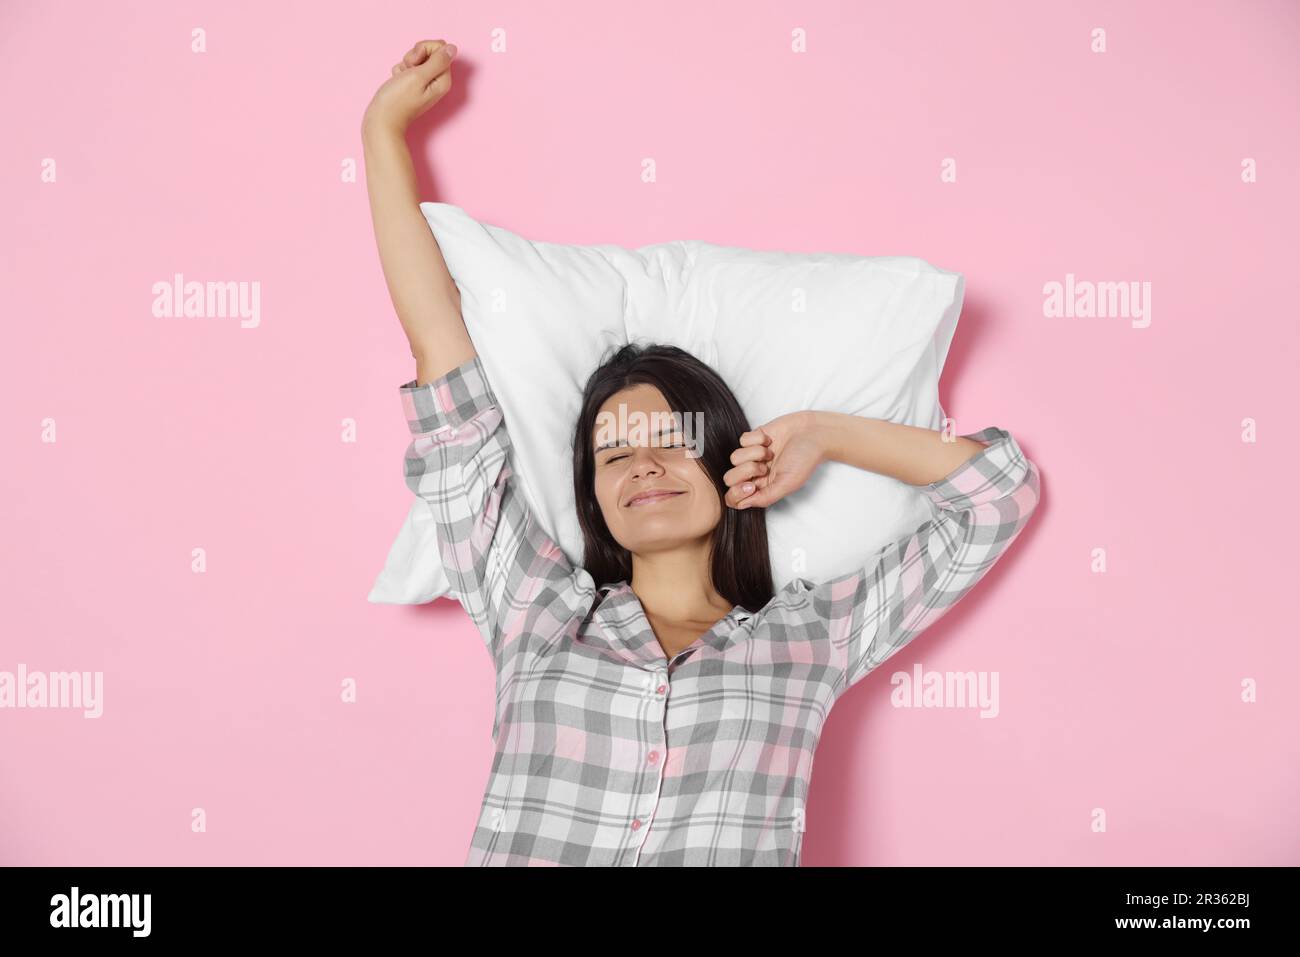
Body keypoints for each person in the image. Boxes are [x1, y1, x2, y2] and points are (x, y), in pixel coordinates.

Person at [363, 40, 1042, 866]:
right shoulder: (531, 605)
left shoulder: (809, 636)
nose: (641, 464)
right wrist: (381, 134)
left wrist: (826, 432)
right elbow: (444, 368)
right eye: (612, 455)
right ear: (593, 497)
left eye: (670, 440)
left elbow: (997, 493)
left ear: (726, 463)